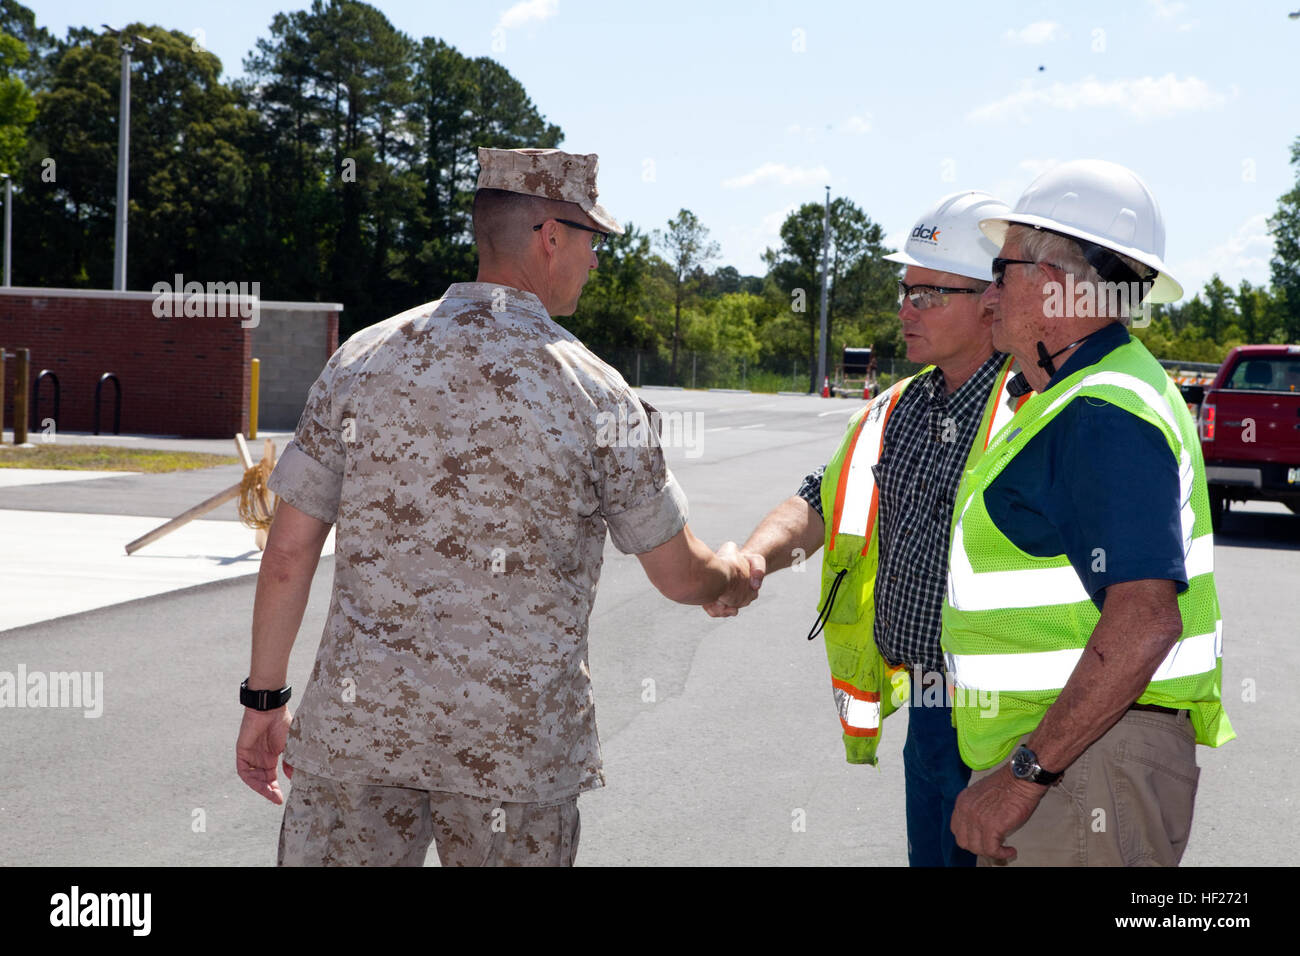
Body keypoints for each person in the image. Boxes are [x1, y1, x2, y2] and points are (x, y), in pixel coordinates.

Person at [236, 146, 760, 867]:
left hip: (358, 739)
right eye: (591, 241)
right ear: (551, 238)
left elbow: (289, 551)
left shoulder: (361, 358)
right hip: (514, 757)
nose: (596, 262)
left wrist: (264, 699)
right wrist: (734, 576)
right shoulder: (597, 393)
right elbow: (679, 574)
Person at [705, 191, 1024, 866]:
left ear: (992, 299)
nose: (904, 310)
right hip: (932, 706)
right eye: (903, 290)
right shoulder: (899, 409)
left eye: (927, 294)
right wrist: (754, 561)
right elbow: (822, 499)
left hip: (1008, 723)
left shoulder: (1033, 415)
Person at [944, 159, 1235, 866]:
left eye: (1001, 268)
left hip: (1079, 772)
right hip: (1084, 762)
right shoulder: (1088, 395)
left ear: (1050, 287)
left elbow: (1145, 619)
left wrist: (1025, 775)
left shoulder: (1101, 412)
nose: (990, 293)